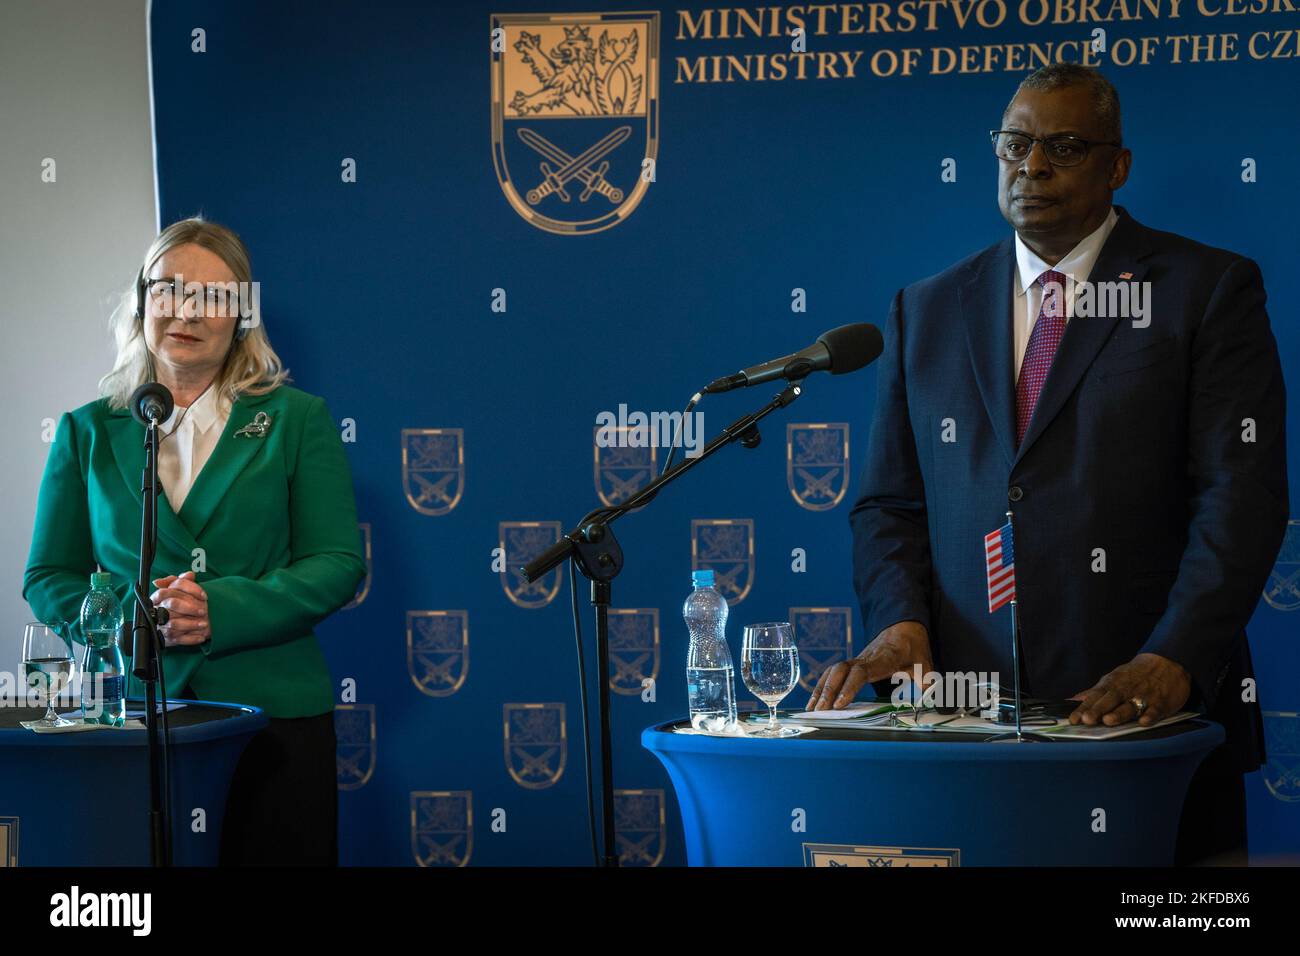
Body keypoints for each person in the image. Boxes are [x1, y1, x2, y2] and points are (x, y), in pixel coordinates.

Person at [808, 64, 1287, 865]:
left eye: (1063, 147)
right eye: (1015, 144)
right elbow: (890, 504)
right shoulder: (926, 309)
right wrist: (898, 623)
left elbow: (1241, 496)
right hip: (966, 731)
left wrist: (1173, 657)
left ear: (1117, 166)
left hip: (1146, 731)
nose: (1031, 167)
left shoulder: (1204, 290)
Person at [23, 217, 366, 865]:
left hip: (274, 719)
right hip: (129, 720)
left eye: (212, 295)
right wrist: (131, 620)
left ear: (241, 316)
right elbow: (48, 577)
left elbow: (338, 564)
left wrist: (222, 609)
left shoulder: (297, 420)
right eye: (169, 289)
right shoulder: (86, 430)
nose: (186, 310)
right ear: (141, 301)